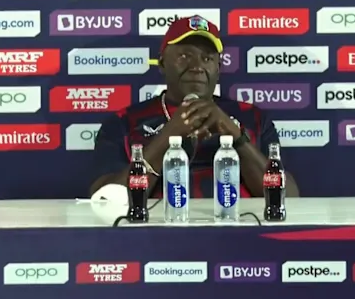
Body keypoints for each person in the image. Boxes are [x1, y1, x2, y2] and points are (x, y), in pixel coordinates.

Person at [89, 15, 300, 199]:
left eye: (207, 58)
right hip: (154, 236)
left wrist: (236, 136)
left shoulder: (251, 117)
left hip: (238, 232)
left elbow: (287, 196)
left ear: (218, 69)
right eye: (184, 56)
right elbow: (107, 199)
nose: (197, 66)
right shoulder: (124, 121)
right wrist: (167, 136)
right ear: (162, 64)